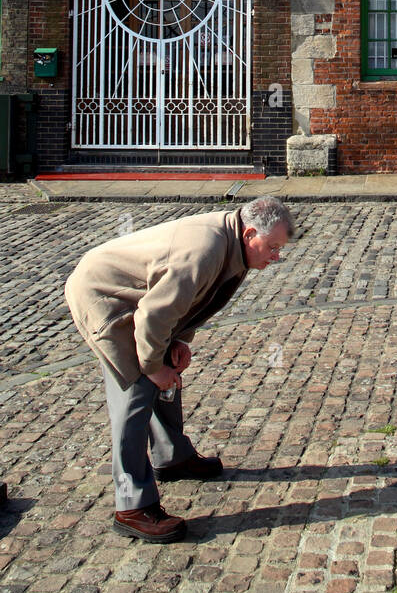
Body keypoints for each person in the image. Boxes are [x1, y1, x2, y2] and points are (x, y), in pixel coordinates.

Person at [65, 195, 295, 542]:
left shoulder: (234, 247)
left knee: (165, 367)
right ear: (249, 235)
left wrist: (180, 342)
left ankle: (172, 457)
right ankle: (132, 506)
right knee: (137, 390)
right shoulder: (205, 250)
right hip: (104, 296)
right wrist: (154, 367)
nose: (276, 256)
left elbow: (195, 300)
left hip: (144, 301)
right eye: (273, 247)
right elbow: (153, 316)